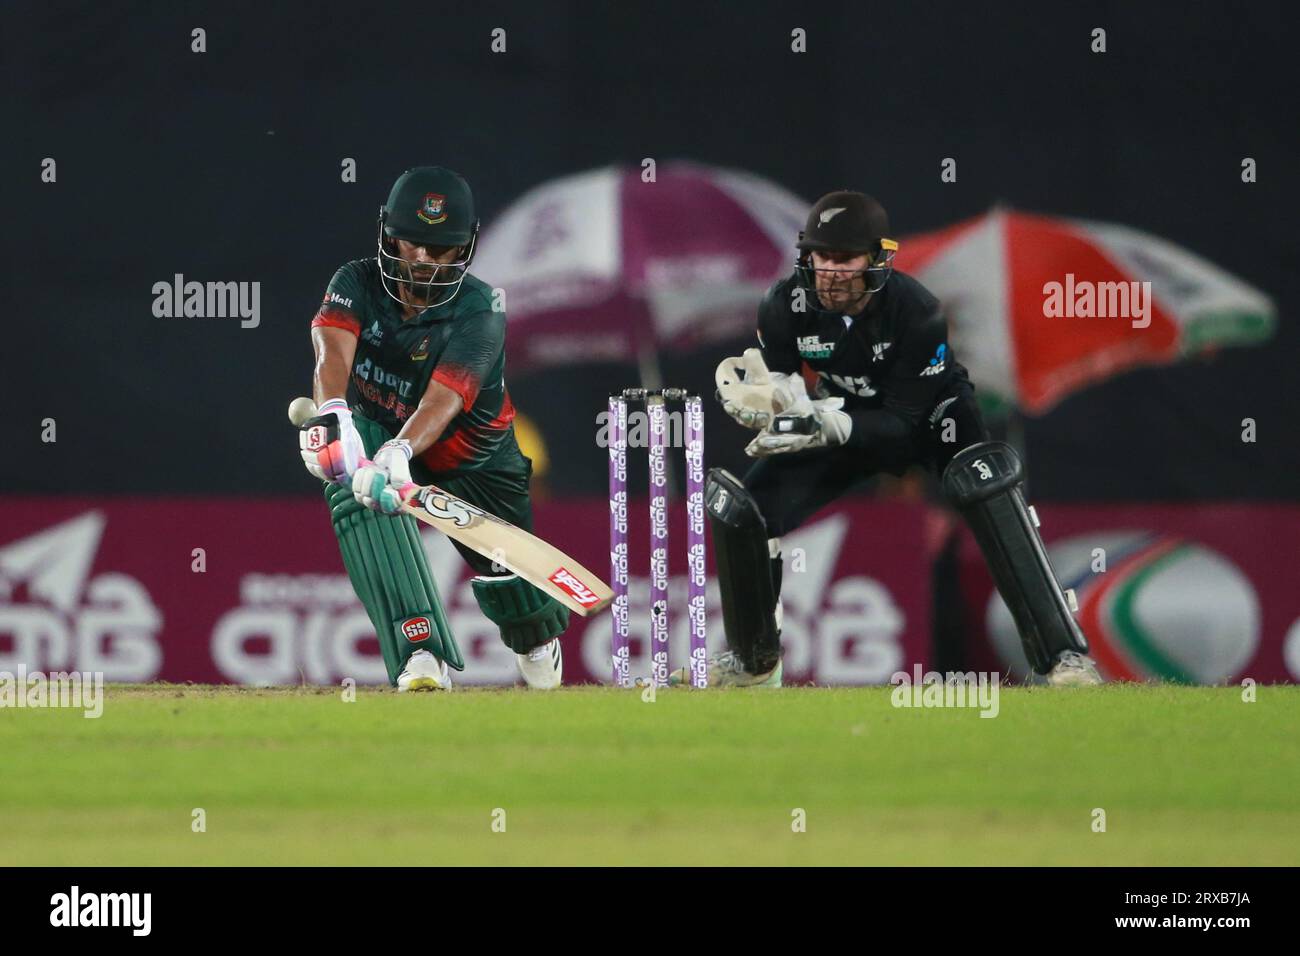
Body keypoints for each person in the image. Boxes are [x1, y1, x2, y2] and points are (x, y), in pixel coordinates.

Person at [677, 190, 1102, 688]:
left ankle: (1064, 658)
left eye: (845, 258)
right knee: (745, 509)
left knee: (986, 484)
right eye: (821, 256)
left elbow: (903, 425)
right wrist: (770, 403)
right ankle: (754, 663)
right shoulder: (784, 303)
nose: (831, 270)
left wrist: (828, 422)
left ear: (877, 258)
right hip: (841, 408)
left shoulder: (916, 311)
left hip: (931, 411)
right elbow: (782, 385)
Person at [298, 166, 567, 691]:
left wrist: (403, 449)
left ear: (464, 248)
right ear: (388, 234)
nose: (420, 258)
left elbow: (445, 399)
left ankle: (535, 637)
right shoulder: (354, 281)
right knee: (355, 496)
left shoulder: (482, 310)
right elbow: (331, 352)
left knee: (508, 580)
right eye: (411, 242)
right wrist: (331, 414)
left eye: (437, 248)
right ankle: (419, 652)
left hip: (472, 457)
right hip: (378, 431)